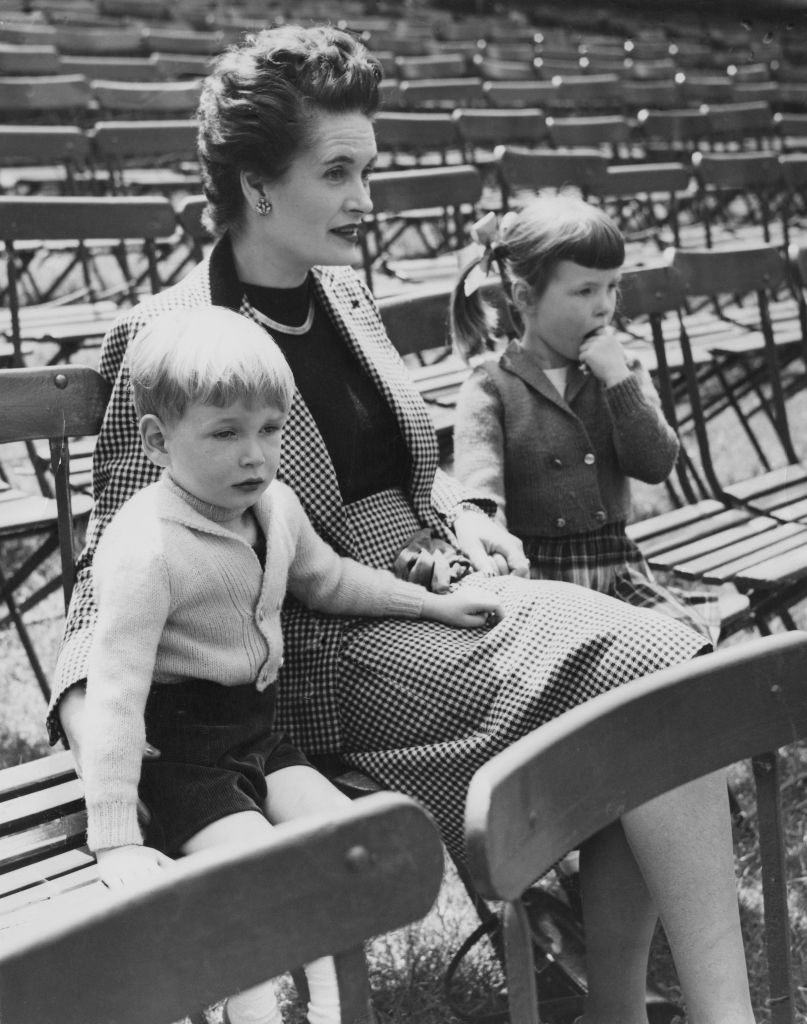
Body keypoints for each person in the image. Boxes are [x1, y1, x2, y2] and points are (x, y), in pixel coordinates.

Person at [50, 24, 757, 1024]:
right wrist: (101, 740)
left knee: (657, 673)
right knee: (654, 667)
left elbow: (402, 468)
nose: (367, 200)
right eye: (337, 173)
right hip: (324, 647)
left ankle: (622, 1007)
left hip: (436, 589)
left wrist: (470, 516)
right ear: (258, 186)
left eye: (369, 170)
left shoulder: (342, 292)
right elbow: (115, 569)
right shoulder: (172, 334)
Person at [81, 306, 501, 1024]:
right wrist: (116, 839)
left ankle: (334, 1010)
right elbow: (114, 692)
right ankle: (252, 1014)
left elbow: (328, 580)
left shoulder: (275, 507)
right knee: (258, 875)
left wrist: (429, 605)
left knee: (340, 842)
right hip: (178, 757)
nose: (255, 455)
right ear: (156, 441)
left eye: (270, 430)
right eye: (225, 433)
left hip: (256, 735)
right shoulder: (146, 548)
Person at [450, 192, 714, 642]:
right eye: (585, 290)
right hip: (539, 586)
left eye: (612, 287)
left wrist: (619, 382)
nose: (604, 305)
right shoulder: (492, 386)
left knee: (686, 649)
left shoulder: (619, 370)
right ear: (525, 297)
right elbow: (481, 492)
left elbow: (655, 465)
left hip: (618, 574)